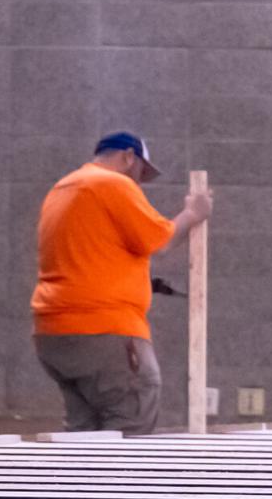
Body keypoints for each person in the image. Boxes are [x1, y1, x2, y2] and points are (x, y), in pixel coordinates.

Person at [31, 131, 213, 435]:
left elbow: (88, 255)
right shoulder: (111, 184)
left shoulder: (63, 189)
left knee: (83, 436)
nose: (139, 183)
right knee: (131, 424)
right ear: (129, 157)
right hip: (104, 330)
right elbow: (159, 239)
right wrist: (194, 213)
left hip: (53, 333)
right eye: (141, 173)